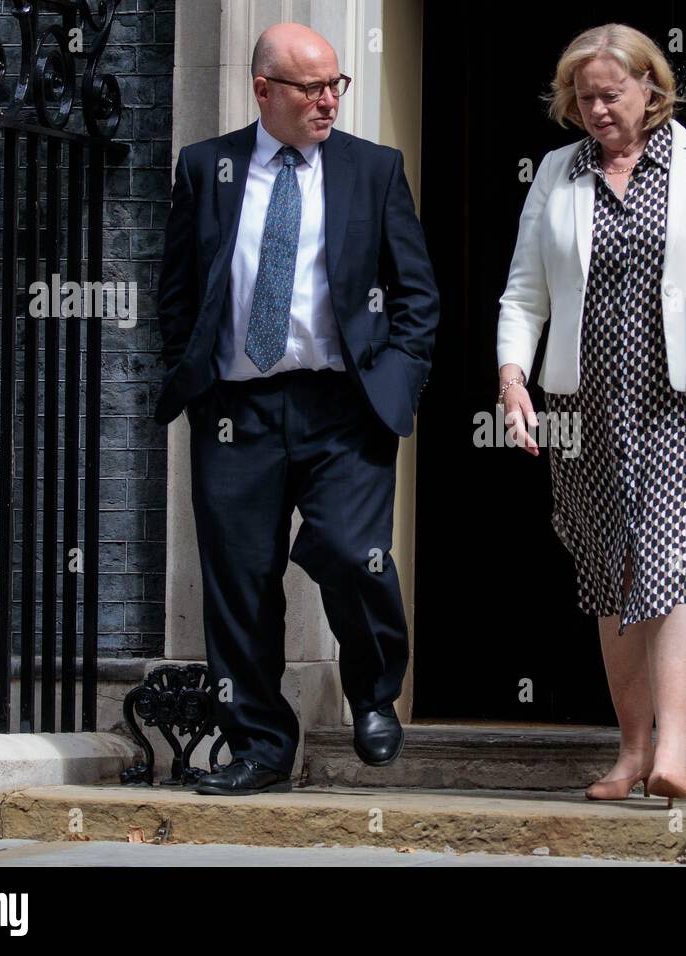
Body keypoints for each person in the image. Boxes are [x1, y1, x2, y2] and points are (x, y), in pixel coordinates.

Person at [496, 23, 686, 807]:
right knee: (609, 571)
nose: (596, 109)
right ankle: (630, 752)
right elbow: (525, 289)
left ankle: (674, 745)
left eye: (610, 94)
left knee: (674, 564)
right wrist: (512, 377)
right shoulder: (558, 173)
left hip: (683, 404)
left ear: (650, 89)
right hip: (583, 403)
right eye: (584, 97)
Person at [154, 22, 439, 795]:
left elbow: (416, 295)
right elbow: (177, 289)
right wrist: (192, 373)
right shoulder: (206, 166)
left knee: (351, 552)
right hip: (234, 412)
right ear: (262, 91)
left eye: (335, 85)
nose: (327, 101)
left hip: (345, 407)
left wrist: (398, 383)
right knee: (239, 583)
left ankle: (373, 692)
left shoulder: (374, 170)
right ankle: (259, 747)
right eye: (310, 87)